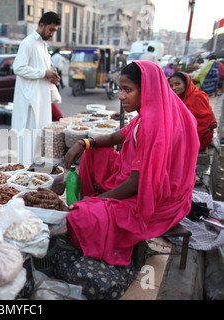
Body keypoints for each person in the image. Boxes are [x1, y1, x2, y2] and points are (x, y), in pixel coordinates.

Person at [63, 61, 199, 266]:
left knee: (79, 218)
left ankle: (97, 205)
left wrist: (99, 201)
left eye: (128, 90)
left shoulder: (154, 126)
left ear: (148, 90)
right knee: (94, 152)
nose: (121, 96)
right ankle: (97, 201)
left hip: (155, 196)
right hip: (135, 178)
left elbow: (136, 184)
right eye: (120, 89)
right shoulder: (147, 114)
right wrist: (84, 143)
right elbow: (118, 136)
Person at [11, 11, 61, 166]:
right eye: (51, 30)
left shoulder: (43, 46)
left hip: (42, 98)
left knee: (40, 132)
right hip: (29, 98)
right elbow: (18, 68)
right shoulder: (28, 43)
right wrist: (43, 73)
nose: (52, 33)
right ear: (41, 25)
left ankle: (35, 165)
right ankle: (23, 169)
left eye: (55, 31)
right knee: (27, 135)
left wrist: (52, 77)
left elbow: (45, 69)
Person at [169, 71, 217, 151]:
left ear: (186, 83)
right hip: (189, 133)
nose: (174, 88)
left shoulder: (197, 96)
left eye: (177, 84)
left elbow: (203, 121)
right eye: (171, 86)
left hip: (201, 136)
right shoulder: (179, 98)